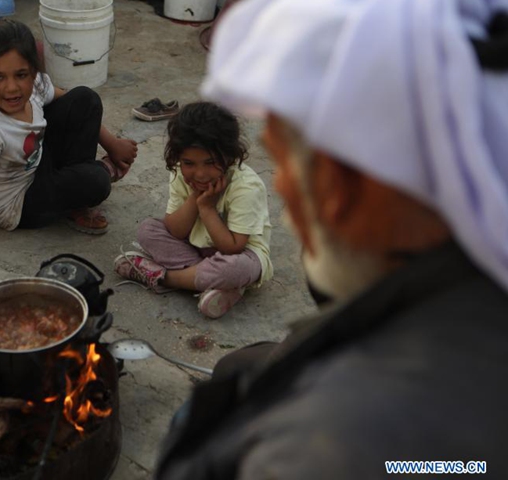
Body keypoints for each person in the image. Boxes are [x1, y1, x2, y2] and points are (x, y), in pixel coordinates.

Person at [155, 0, 508, 478]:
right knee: (238, 368)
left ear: (343, 187)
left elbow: (435, 462)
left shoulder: (320, 448)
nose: (282, 185)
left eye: (287, 159)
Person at [0, 20, 137, 235]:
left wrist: (112, 144)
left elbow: (72, 103)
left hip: (36, 163)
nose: (11, 87)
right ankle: (96, 176)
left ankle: (77, 187)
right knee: (97, 181)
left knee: (85, 98)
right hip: (19, 203)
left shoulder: (35, 86)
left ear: (33, 72)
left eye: (21, 75)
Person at [114, 102, 272, 319]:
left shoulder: (246, 186)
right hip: (193, 246)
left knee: (236, 269)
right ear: (178, 157)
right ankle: (214, 285)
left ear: (230, 156)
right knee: (147, 230)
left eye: (211, 162)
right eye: (189, 163)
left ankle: (162, 277)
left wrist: (207, 208)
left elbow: (232, 247)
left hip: (238, 253)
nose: (200, 174)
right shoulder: (180, 173)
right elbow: (175, 231)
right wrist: (195, 198)